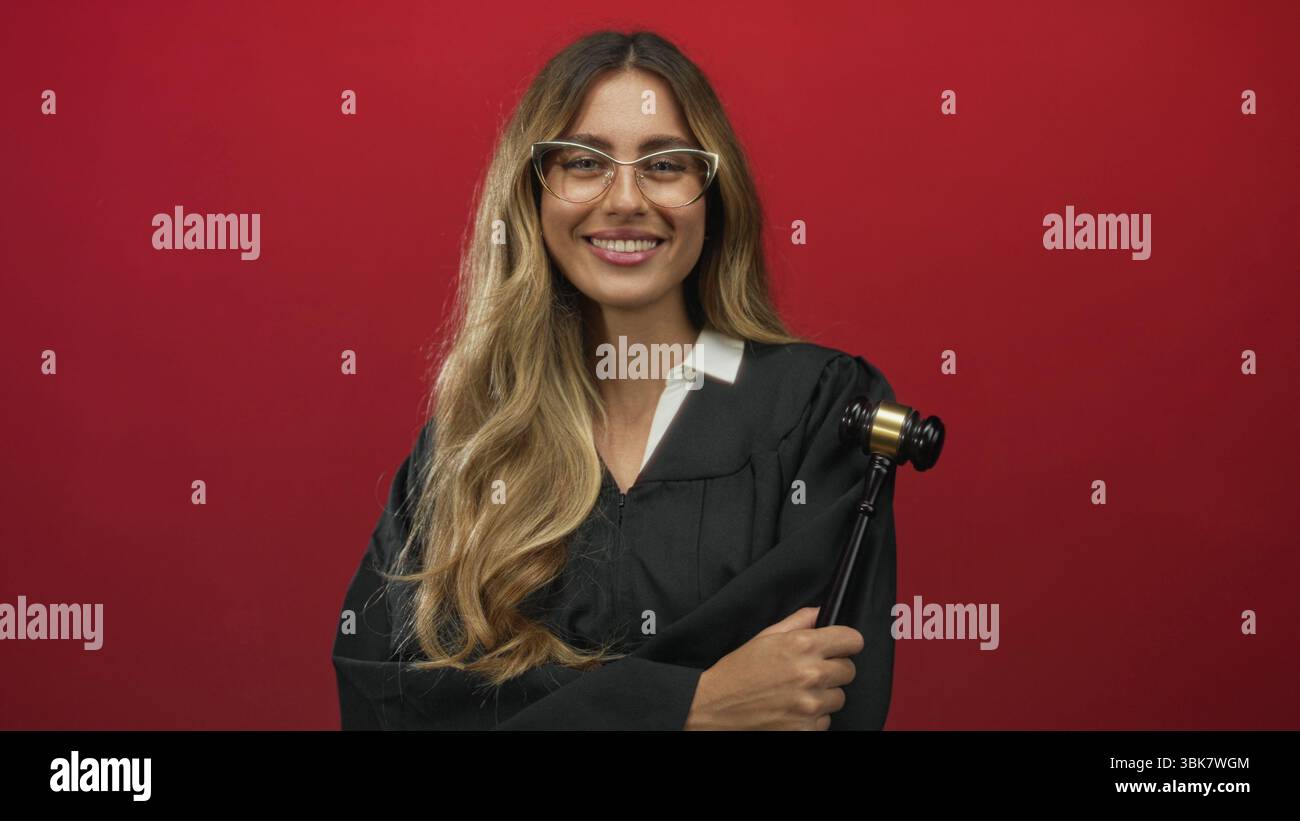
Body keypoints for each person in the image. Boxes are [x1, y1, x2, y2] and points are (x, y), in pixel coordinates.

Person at [332, 29, 898, 730]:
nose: (625, 199)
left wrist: (542, 706)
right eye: (583, 162)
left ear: (713, 196)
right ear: (534, 195)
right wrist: (692, 703)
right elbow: (384, 703)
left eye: (665, 165)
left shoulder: (818, 410)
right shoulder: (472, 444)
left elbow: (818, 701)